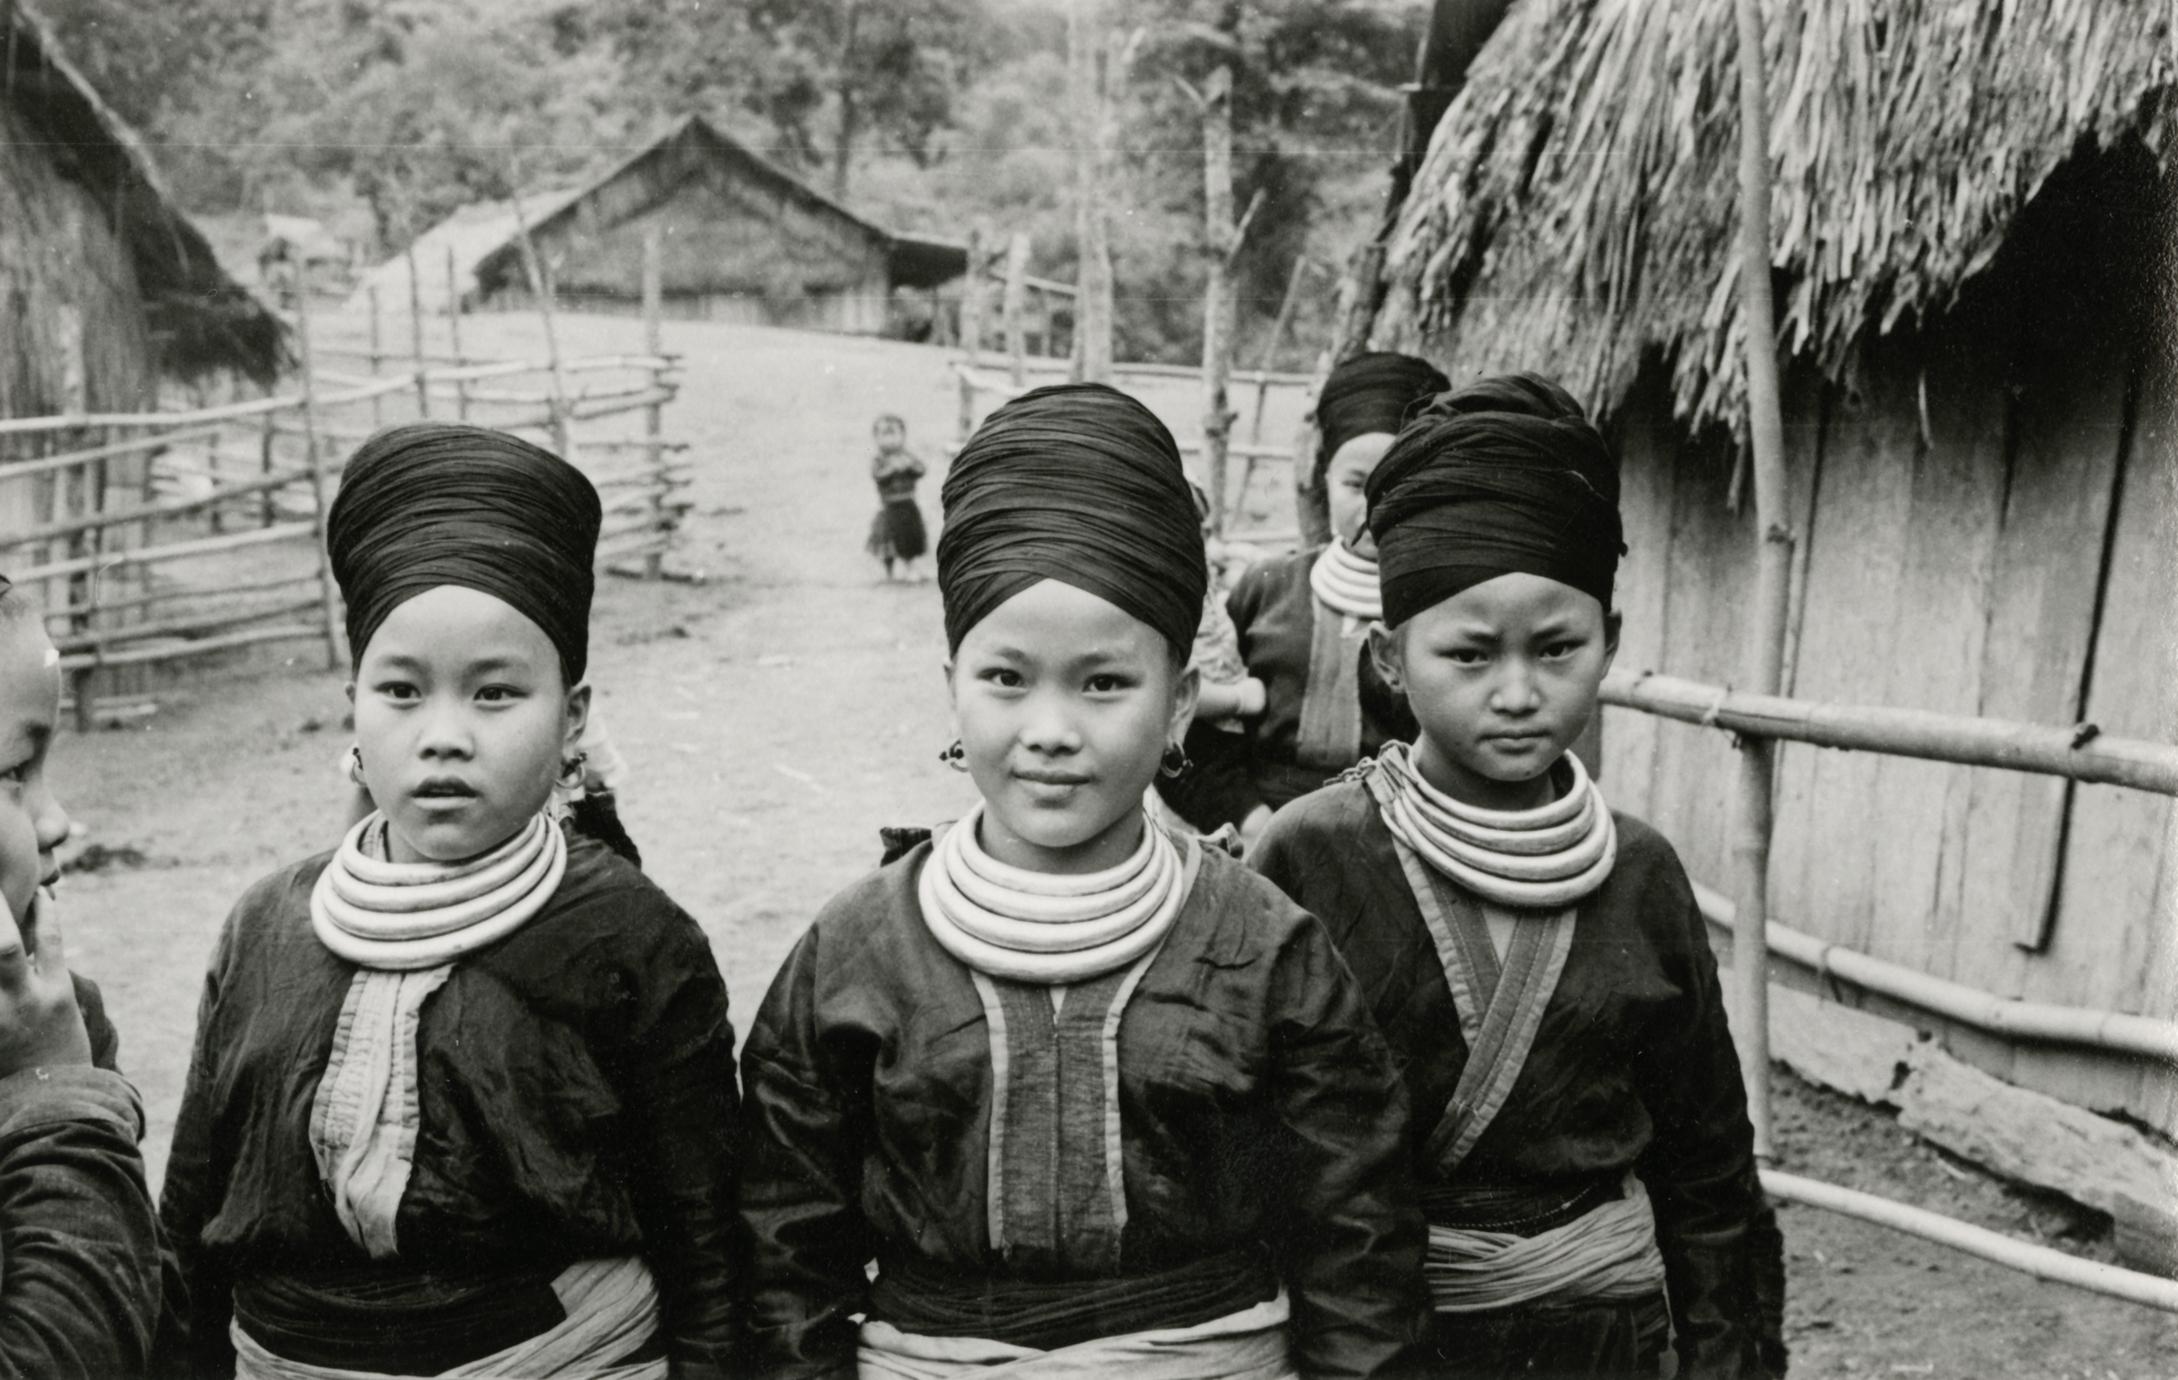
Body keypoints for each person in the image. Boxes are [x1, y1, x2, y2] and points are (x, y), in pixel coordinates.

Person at [738, 383, 1425, 1379]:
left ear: (1180, 702)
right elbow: (783, 1251)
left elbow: (1359, 1245)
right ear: (951, 688)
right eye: (1006, 679)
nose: (1051, 731)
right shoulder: (854, 950)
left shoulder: (1268, 945)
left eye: (1105, 683)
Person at [157, 424, 741, 1379]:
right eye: (401, 691)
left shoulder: (634, 937)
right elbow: (192, 1208)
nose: (443, 736)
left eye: (495, 693)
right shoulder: (264, 925)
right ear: (353, 704)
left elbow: (705, 1235)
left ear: (573, 717)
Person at [1251, 375, 1769, 1378]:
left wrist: (1724, 1359)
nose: (1520, 693)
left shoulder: (1641, 872)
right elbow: (1257, 1156)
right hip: (1381, 1339)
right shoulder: (1309, 855)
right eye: (1471, 654)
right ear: (1390, 657)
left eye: (1559, 647)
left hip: (1608, 1338)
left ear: (1610, 644)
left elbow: (1707, 1167)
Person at [1175, 352, 1449, 842]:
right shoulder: (1267, 589)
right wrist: (1253, 821)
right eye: (1356, 484)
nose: (1376, 507)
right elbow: (1190, 728)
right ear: (1324, 478)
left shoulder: (1450, 606)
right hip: (1260, 836)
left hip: (1403, 841)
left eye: (1402, 483)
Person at [0, 579, 161, 1377]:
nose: (57, 820)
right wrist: (55, 1094)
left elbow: (153, 1318)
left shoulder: (60, 1014)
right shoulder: (51, 1043)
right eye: (13, 772)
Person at [865, 413, 930, 583]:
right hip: (889, 506)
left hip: (907, 503)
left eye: (893, 434)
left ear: (903, 435)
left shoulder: (907, 456)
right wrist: (892, 468)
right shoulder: (879, 459)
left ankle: (910, 567)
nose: (890, 440)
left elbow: (921, 470)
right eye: (884, 435)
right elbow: (878, 475)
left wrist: (909, 466)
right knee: (888, 541)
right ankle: (889, 572)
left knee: (909, 538)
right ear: (876, 438)